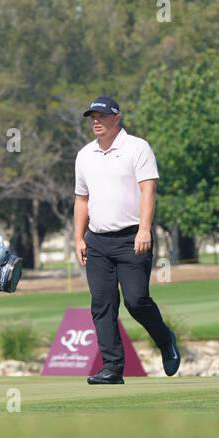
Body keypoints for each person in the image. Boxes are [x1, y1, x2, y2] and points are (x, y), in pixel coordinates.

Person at [74, 96, 180, 384]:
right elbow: (82, 199)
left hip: (132, 238)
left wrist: (144, 229)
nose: (96, 121)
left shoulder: (137, 148)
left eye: (101, 116)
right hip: (97, 241)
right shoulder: (84, 155)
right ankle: (112, 369)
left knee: (136, 301)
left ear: (116, 118)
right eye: (92, 117)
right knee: (102, 304)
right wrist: (78, 238)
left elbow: (148, 191)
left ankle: (165, 339)